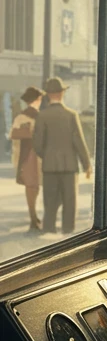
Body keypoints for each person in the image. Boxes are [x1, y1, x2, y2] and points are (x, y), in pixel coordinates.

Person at [31, 77, 92, 234]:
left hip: (49, 166)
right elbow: (79, 141)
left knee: (50, 200)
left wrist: (48, 155)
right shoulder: (71, 115)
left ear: (48, 95)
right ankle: (68, 230)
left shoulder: (41, 116)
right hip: (70, 165)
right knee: (70, 201)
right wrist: (86, 164)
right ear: (62, 93)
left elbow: (37, 144)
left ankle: (49, 229)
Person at [9, 85, 44, 231]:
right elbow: (14, 134)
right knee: (32, 186)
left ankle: (34, 216)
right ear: (36, 100)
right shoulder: (24, 116)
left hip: (38, 155)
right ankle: (33, 218)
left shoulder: (38, 114)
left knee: (34, 187)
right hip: (29, 156)